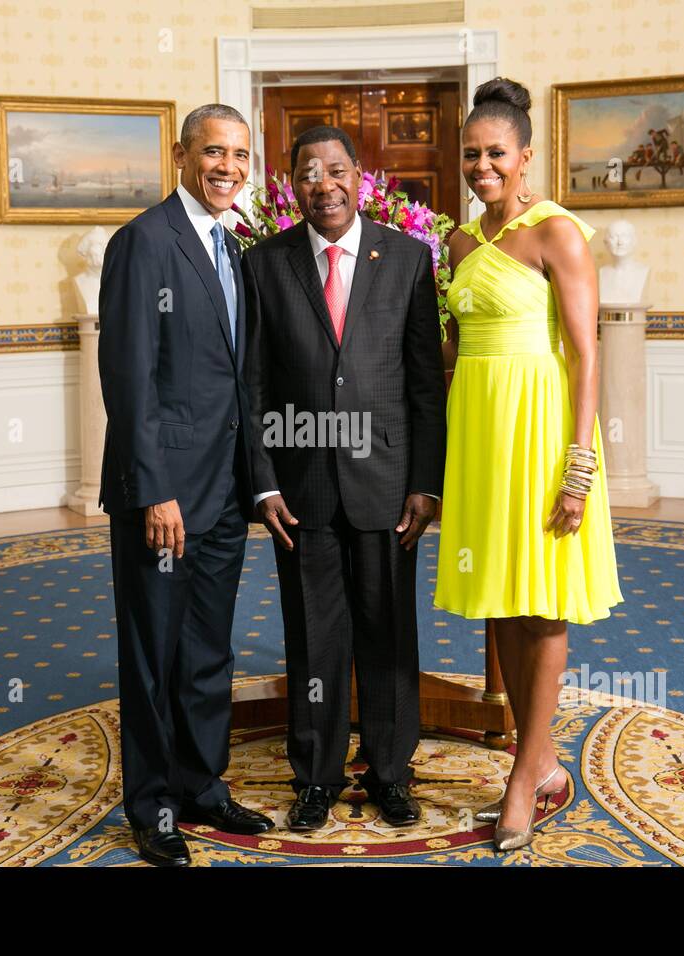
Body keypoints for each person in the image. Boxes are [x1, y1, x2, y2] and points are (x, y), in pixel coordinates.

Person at [433, 78, 624, 851]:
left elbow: (586, 355)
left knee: (541, 601)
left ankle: (521, 774)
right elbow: (450, 347)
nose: (483, 166)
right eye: (472, 154)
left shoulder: (558, 234)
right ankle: (539, 755)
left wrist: (578, 468)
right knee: (501, 596)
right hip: (478, 431)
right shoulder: (455, 243)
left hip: (542, 433)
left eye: (496, 154)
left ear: (526, 156)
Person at [243, 125, 447, 832]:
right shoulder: (263, 263)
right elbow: (255, 384)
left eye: (335, 171)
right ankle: (317, 776)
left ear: (360, 177)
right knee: (314, 635)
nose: (322, 184)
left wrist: (427, 482)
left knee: (389, 632)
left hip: (388, 484)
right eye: (307, 173)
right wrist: (264, 483)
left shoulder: (408, 259)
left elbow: (425, 382)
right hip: (301, 489)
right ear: (291, 184)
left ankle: (391, 771)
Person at [98, 103, 274, 867]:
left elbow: (238, 381)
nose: (228, 167)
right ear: (180, 155)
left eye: (239, 154)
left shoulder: (235, 248)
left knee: (208, 652)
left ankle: (203, 785)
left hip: (225, 495)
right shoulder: (143, 242)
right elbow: (128, 378)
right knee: (153, 656)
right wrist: (154, 490)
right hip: (164, 497)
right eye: (213, 152)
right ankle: (154, 806)